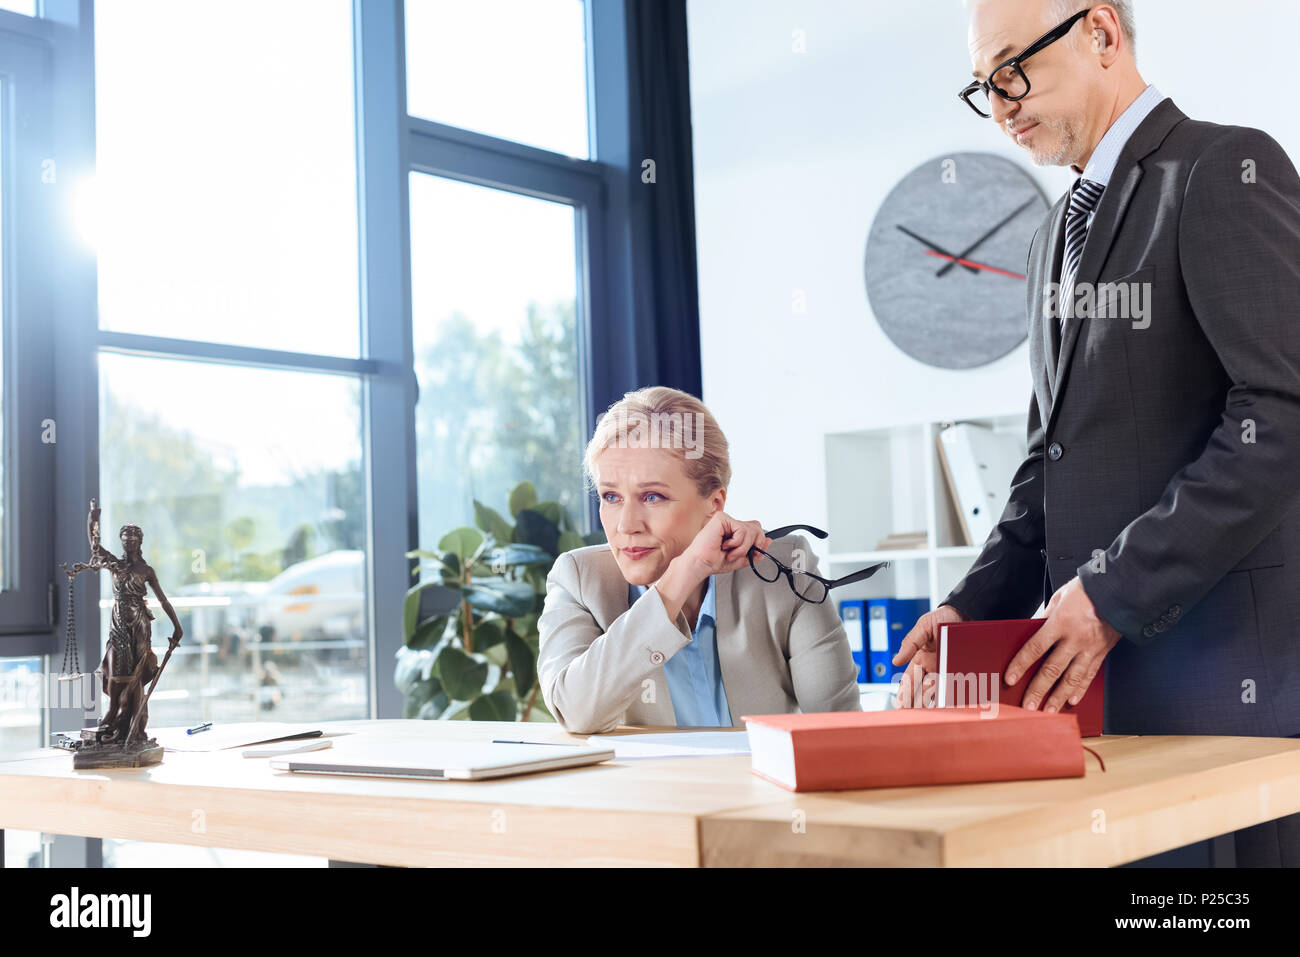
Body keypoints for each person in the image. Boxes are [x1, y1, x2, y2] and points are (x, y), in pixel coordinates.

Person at [895, 1, 1300, 865]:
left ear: (1102, 34)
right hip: (1099, 712)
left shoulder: (1223, 167)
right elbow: (1050, 460)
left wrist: (1112, 594)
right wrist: (971, 604)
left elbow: (1282, 412)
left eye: (1012, 69)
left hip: (1228, 703)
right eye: (981, 87)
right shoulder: (1050, 240)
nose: (1000, 104)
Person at [538, 386, 861, 734]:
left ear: (714, 505)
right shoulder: (579, 580)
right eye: (611, 496)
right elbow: (575, 711)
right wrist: (683, 575)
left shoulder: (784, 571)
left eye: (652, 496)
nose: (626, 525)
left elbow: (841, 731)